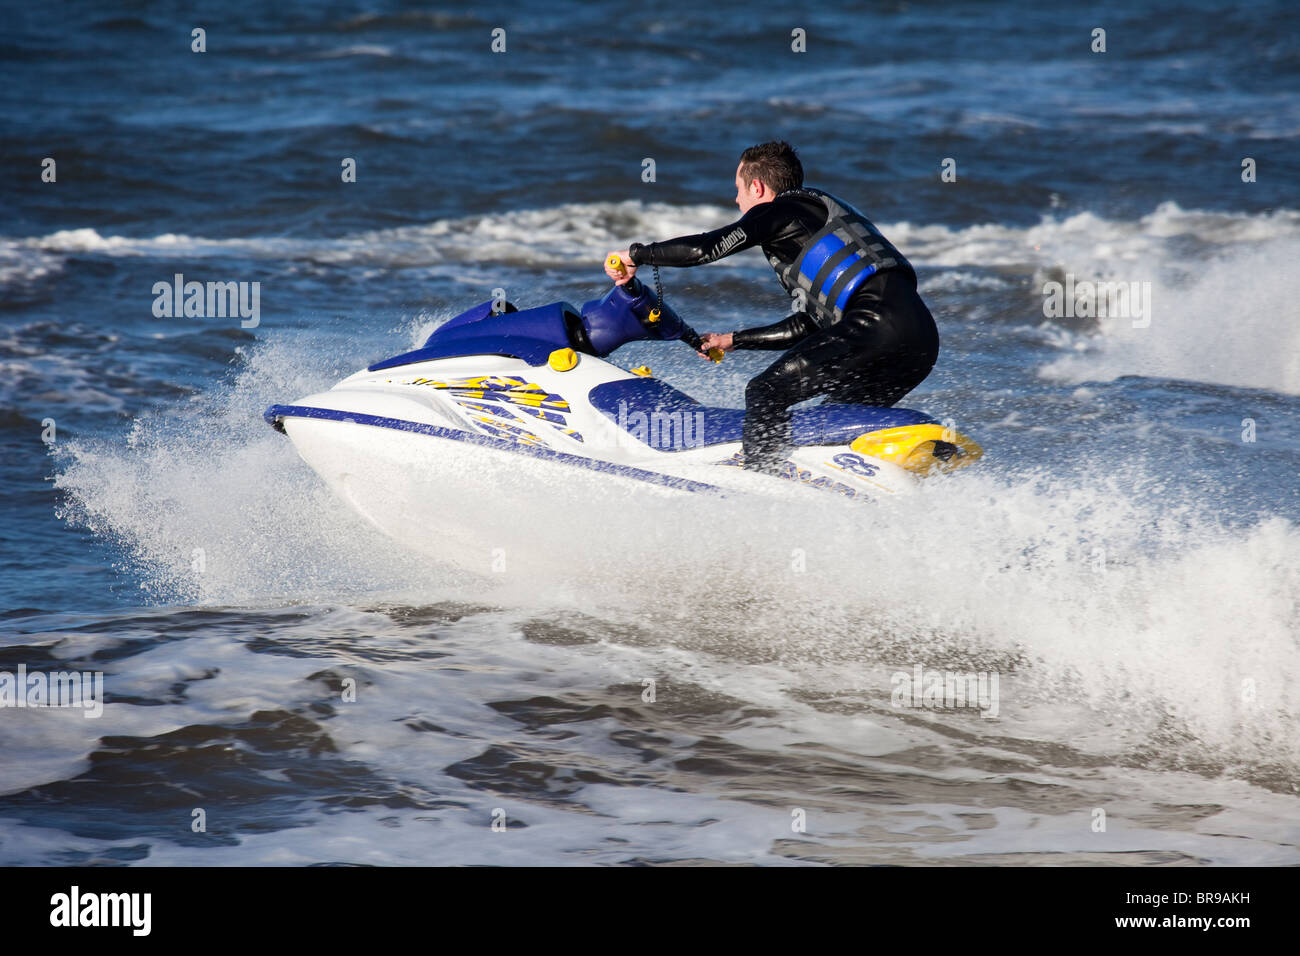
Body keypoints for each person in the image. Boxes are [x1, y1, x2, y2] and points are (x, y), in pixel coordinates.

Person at [604, 141, 939, 474]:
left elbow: (705, 249)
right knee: (834, 419)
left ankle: (761, 481)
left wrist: (637, 254)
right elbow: (808, 325)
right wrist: (732, 340)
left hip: (875, 324)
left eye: (738, 189)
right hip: (919, 341)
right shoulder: (816, 218)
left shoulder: (781, 210)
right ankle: (853, 483)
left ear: (757, 186)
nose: (737, 200)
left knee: (765, 391)